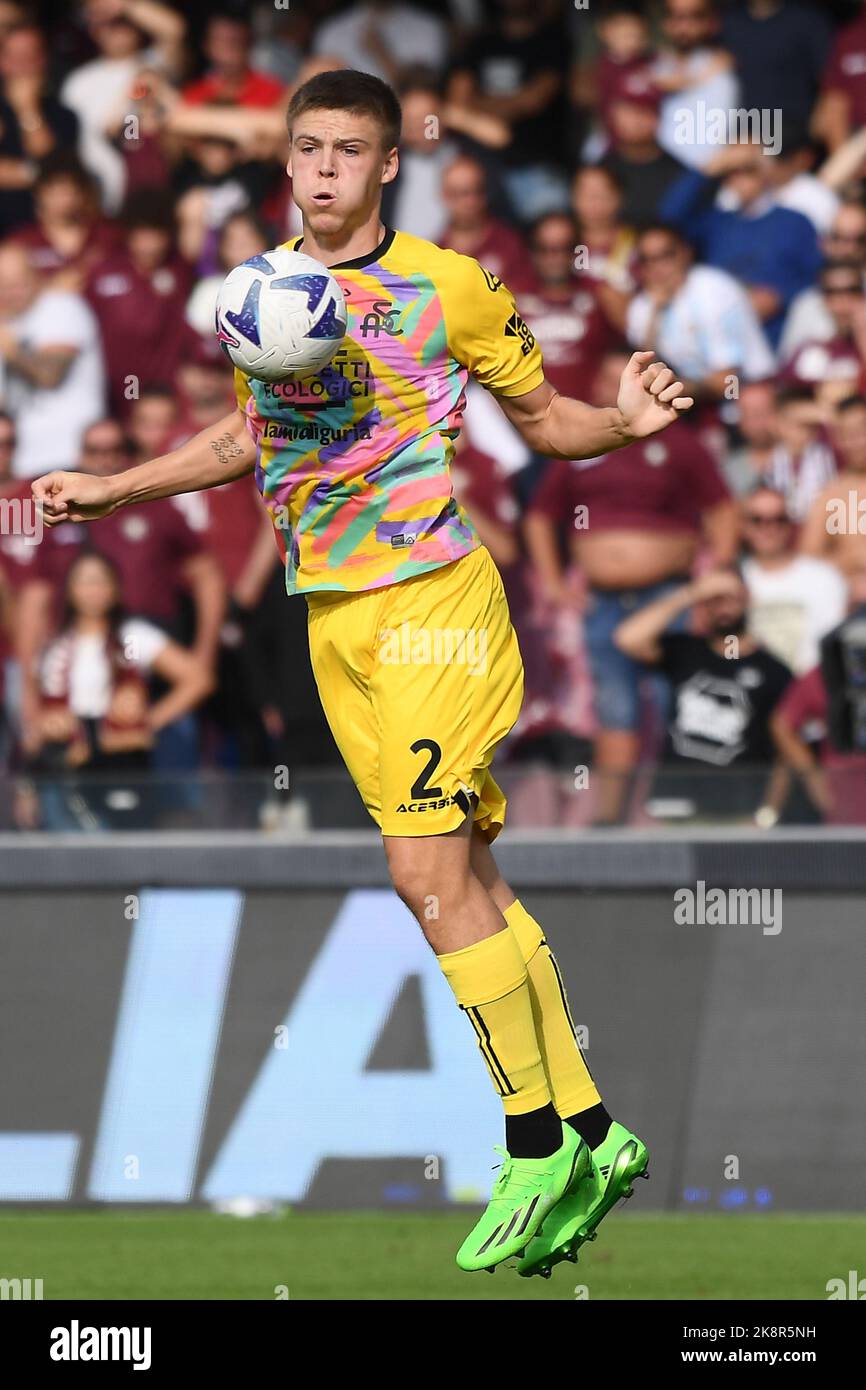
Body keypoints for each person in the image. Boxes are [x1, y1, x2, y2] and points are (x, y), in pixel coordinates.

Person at [31, 67, 695, 1277]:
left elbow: (545, 421)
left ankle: (532, 1139)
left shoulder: (448, 286)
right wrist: (111, 485)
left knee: (421, 874)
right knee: (470, 878)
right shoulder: (260, 294)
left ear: (390, 165)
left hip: (435, 604)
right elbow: (248, 435)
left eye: (348, 149)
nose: (324, 168)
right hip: (331, 616)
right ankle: (595, 1130)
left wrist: (622, 421)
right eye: (306, 149)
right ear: (283, 162)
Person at [525, 348, 736, 824]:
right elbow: (540, 517)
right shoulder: (580, 445)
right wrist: (555, 584)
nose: (610, 384)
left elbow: (723, 508)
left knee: (673, 705)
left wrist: (713, 578)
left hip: (668, 597)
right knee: (613, 707)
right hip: (600, 602)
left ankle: (669, 811)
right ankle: (610, 820)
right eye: (604, 376)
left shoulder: (680, 442)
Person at [26, 549, 211, 829]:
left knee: (122, 852)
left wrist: (150, 719)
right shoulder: (55, 647)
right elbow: (38, 715)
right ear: (70, 590)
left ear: (114, 588)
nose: (93, 590)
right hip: (67, 765)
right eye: (85, 582)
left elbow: (198, 679)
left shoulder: (132, 637)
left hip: (120, 764)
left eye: (100, 581)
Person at [614, 569, 792, 821]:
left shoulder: (775, 671)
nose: (722, 608)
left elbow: (785, 754)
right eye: (713, 599)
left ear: (747, 598)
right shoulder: (686, 651)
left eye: (729, 597)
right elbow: (627, 638)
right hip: (674, 803)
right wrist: (690, 594)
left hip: (737, 809)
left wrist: (769, 812)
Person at [741, 485, 847, 676]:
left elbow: (825, 649)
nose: (768, 528)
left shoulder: (823, 578)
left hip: (807, 688)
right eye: (758, 520)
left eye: (778, 520)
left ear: (790, 525)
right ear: (745, 526)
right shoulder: (734, 579)